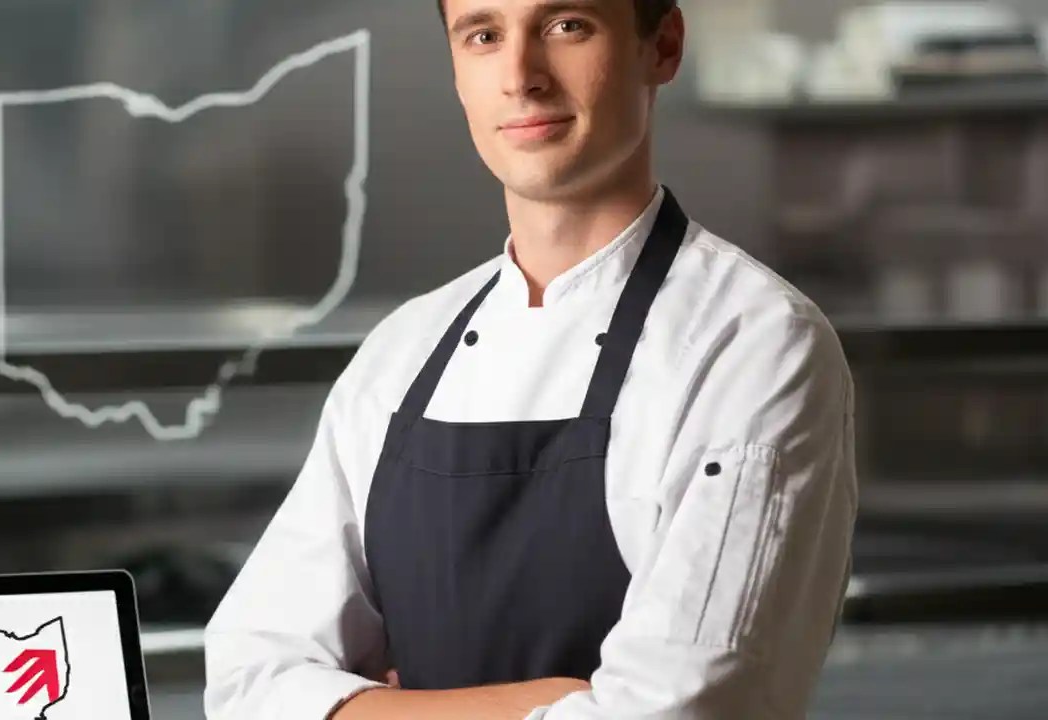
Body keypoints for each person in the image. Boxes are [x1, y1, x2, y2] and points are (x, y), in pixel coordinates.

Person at [204, 0, 858, 718]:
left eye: (564, 25)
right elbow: (246, 683)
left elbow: (679, 711)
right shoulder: (402, 351)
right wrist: (551, 702)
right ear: (458, 69)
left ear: (662, 46)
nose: (520, 76)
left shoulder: (754, 342)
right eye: (483, 35)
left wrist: (369, 707)